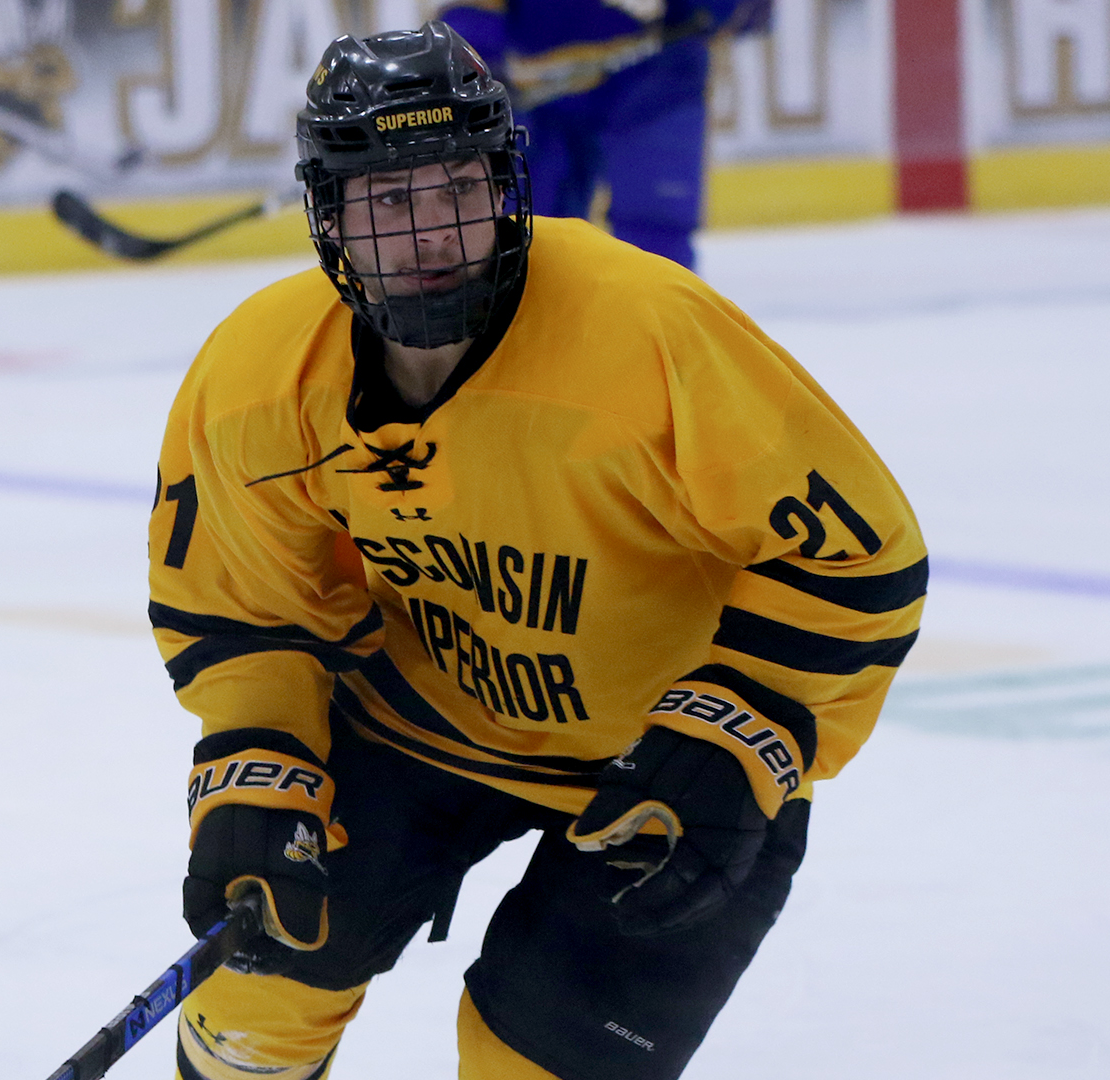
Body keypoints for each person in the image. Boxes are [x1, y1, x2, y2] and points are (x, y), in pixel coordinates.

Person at [150, 21, 924, 1080]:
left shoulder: (651, 330)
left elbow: (859, 555)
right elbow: (244, 608)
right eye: (388, 200)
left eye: (455, 189)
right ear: (329, 218)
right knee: (253, 1009)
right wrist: (257, 767)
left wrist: (746, 722)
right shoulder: (259, 377)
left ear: (506, 186)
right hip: (416, 725)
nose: (430, 231)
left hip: (662, 754)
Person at [435, 0, 765, 269]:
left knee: (655, 242)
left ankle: (655, 347)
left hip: (660, 77)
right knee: (524, 241)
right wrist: (476, 42)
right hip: (535, 79)